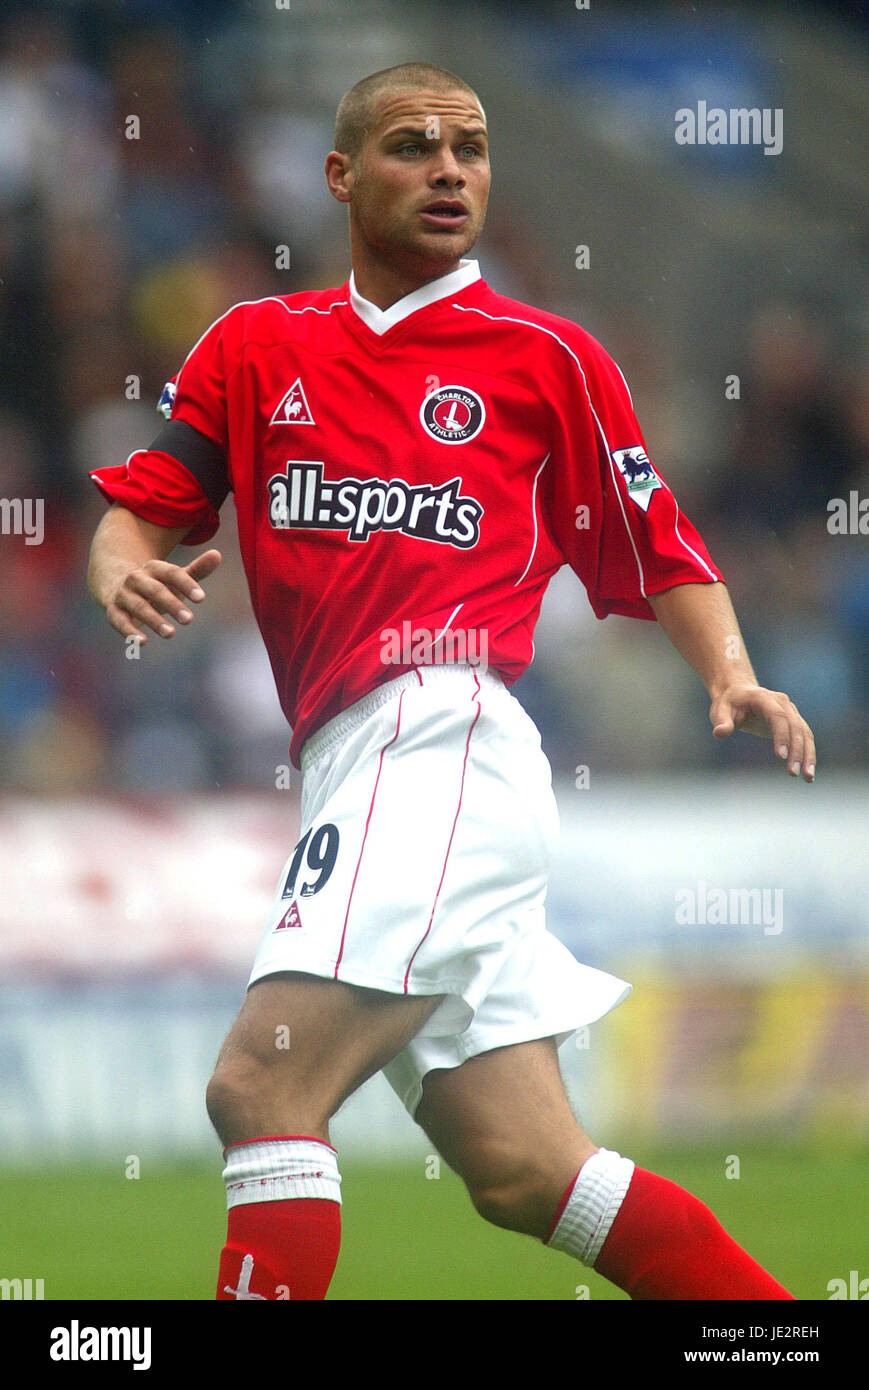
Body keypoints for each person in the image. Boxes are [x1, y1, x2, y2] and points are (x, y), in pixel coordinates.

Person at [87, 62, 816, 1301]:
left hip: (443, 740)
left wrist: (733, 674)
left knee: (260, 1082)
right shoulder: (257, 345)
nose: (448, 170)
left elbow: (656, 540)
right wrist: (117, 572)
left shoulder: (545, 357)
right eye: (413, 146)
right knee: (527, 1168)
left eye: (470, 150)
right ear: (339, 176)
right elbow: (141, 510)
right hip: (351, 764)